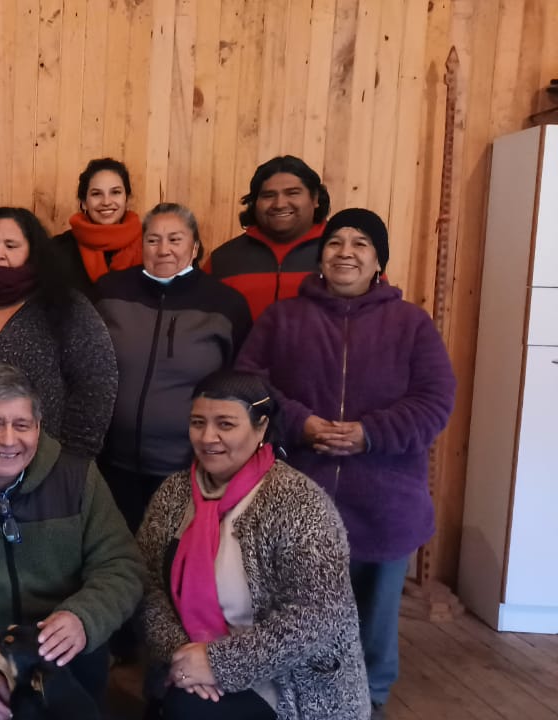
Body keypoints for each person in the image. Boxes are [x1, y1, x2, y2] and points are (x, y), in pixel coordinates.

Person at [236, 209, 455, 716]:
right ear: (321, 256)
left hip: (386, 501)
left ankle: (369, 701)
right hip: (298, 497)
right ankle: (290, 699)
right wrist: (301, 423)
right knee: (291, 614)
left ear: (378, 261)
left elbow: (435, 399)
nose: (346, 252)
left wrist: (369, 434)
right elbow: (249, 384)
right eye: (335, 242)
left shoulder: (412, 324)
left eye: (360, 243)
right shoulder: (282, 318)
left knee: (373, 623)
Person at [0, 364, 144, 720]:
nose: (8, 440)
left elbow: (122, 566)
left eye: (21, 425)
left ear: (38, 426)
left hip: (65, 654)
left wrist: (84, 618)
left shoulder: (79, 479)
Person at [137, 369, 370, 719]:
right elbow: (146, 583)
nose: (208, 437)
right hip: (192, 660)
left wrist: (217, 663)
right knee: (183, 705)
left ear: (261, 428)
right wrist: (183, 655)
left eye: (225, 424)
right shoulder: (174, 494)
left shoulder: (299, 502)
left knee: (187, 710)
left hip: (289, 679)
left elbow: (317, 615)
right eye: (198, 423)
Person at [94, 203, 252, 533]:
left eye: (175, 239)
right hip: (109, 464)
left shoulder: (226, 304)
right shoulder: (109, 291)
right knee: (114, 551)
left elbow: (240, 386)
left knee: (169, 555)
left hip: (187, 467)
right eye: (153, 240)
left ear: (194, 247)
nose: (163, 249)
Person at [0, 206, 117, 460]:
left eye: (11, 245)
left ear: (32, 252)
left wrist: (73, 458)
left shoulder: (65, 305)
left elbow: (97, 382)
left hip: (41, 465)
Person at [206, 155, 332, 319]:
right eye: (268, 195)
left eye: (292, 193)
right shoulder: (222, 260)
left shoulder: (343, 254)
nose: (279, 204)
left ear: (315, 199)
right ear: (255, 203)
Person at [52, 157, 143, 298]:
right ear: (84, 202)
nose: (106, 202)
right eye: (96, 194)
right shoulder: (57, 250)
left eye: (115, 192)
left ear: (127, 199)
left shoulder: (150, 246)